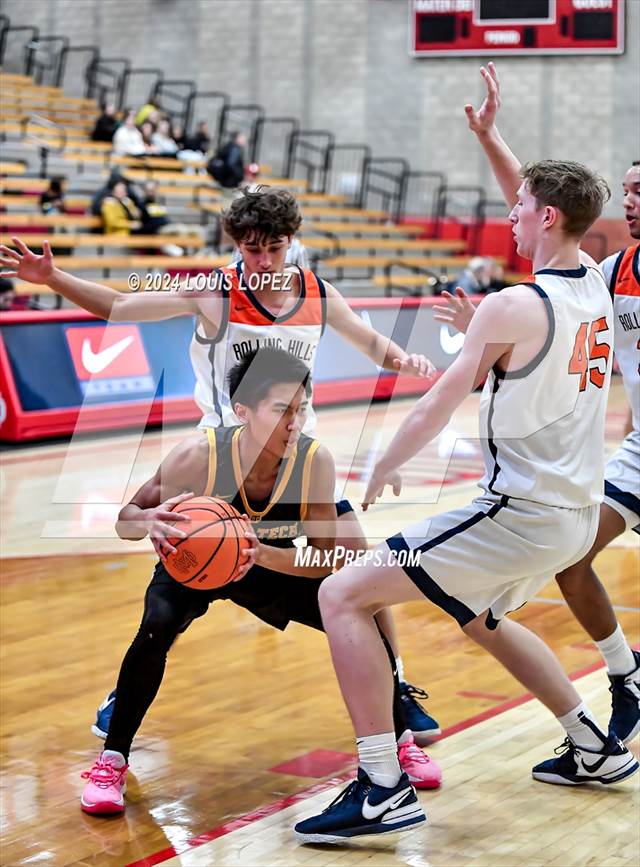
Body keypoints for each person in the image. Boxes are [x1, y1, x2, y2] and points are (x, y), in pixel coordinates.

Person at [294, 73, 637, 844]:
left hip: (519, 512)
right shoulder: (591, 280)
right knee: (477, 614)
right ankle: (592, 743)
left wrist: (384, 463)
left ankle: (382, 785)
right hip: (572, 513)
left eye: (520, 208)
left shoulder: (512, 304)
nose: (508, 214)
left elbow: (438, 400)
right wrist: (488, 138)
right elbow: (540, 202)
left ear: (547, 217)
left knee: (342, 593)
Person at [0, 186, 442, 751]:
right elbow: (119, 307)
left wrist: (407, 360)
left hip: (294, 461)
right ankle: (125, 694)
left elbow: (374, 342)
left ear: (291, 242)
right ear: (235, 243)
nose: (264, 260)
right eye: (252, 248)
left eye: (274, 248)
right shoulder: (214, 291)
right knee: (175, 599)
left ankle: (396, 687)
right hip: (220, 468)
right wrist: (54, 279)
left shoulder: (317, 293)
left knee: (358, 573)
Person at [79, 348, 442, 815]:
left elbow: (327, 558)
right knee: (155, 628)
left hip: (271, 565)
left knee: (360, 619)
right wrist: (147, 520)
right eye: (281, 410)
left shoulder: (313, 462)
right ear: (242, 411)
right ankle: (111, 761)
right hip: (194, 564)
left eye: (301, 410)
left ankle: (399, 743)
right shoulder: (198, 455)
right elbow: (124, 520)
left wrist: (260, 553)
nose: (295, 423)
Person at [437, 72, 640, 748]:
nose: (631, 201)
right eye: (627, 190)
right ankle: (626, 676)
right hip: (635, 457)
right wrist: (491, 137)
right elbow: (537, 211)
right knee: (573, 558)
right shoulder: (610, 276)